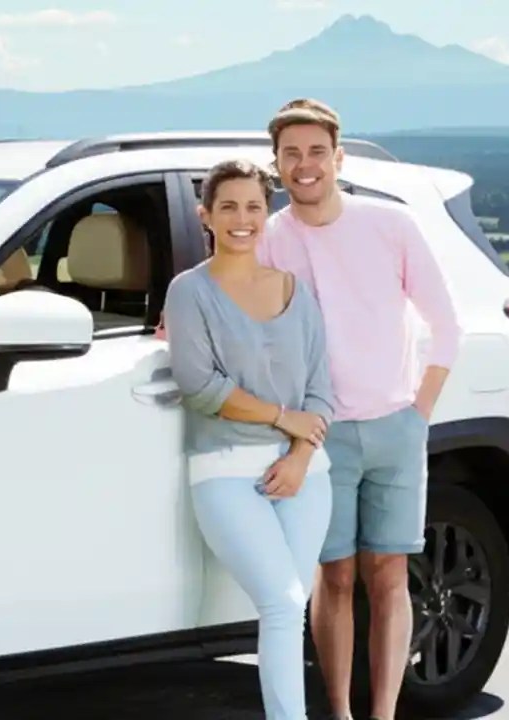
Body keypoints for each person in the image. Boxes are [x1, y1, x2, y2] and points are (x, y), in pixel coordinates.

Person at [257, 98, 462, 720]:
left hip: (396, 427)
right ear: (277, 164)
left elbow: (446, 325)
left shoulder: (390, 225)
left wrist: (417, 414)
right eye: (292, 154)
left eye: (317, 152)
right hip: (319, 437)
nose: (305, 164)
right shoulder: (269, 239)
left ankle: (384, 713)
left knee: (390, 573)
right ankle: (341, 712)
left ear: (338, 158)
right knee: (336, 575)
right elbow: (234, 307)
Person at [162, 158, 336, 720]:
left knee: (289, 607)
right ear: (206, 216)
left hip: (304, 475)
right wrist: (284, 419)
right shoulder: (189, 292)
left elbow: (321, 391)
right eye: (229, 207)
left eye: (254, 207)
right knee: (283, 603)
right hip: (226, 470)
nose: (243, 219)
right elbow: (201, 387)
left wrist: (301, 456)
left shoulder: (296, 292)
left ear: (268, 213)